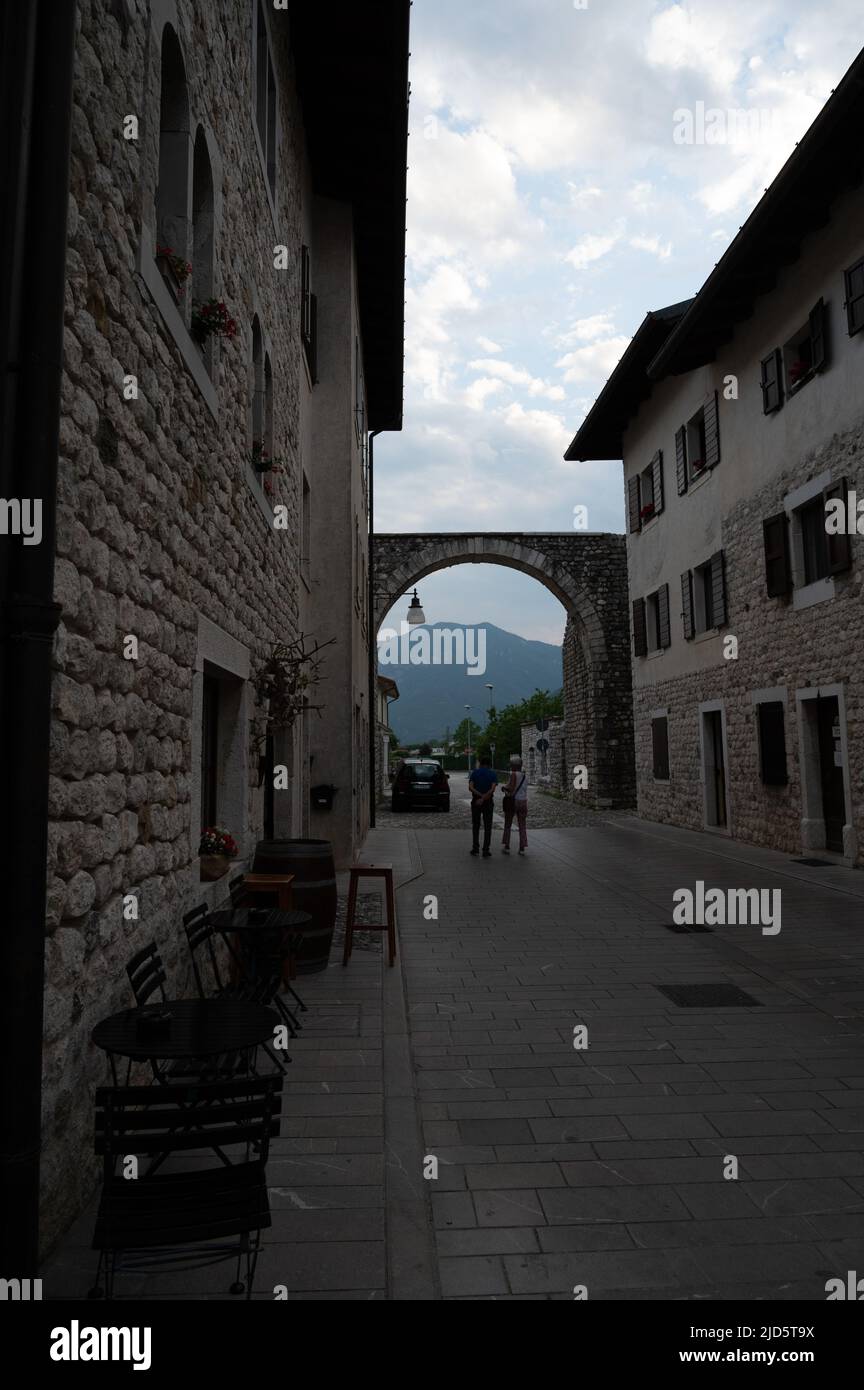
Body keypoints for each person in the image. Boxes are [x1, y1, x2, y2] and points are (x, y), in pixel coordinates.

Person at [468, 753, 498, 858]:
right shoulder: (493, 774)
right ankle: (486, 850)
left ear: (480, 764)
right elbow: (493, 788)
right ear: (489, 764)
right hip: (488, 802)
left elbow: (470, 787)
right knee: (487, 827)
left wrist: (479, 797)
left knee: (476, 826)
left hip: (476, 802)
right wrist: (484, 797)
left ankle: (475, 848)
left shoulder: (475, 773)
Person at [501, 754, 528, 855]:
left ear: (514, 765)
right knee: (522, 825)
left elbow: (511, 788)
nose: (510, 767)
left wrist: (504, 788)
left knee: (508, 824)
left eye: (511, 765)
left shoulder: (513, 774)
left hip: (513, 801)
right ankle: (522, 848)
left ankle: (507, 846)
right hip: (523, 801)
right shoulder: (524, 776)